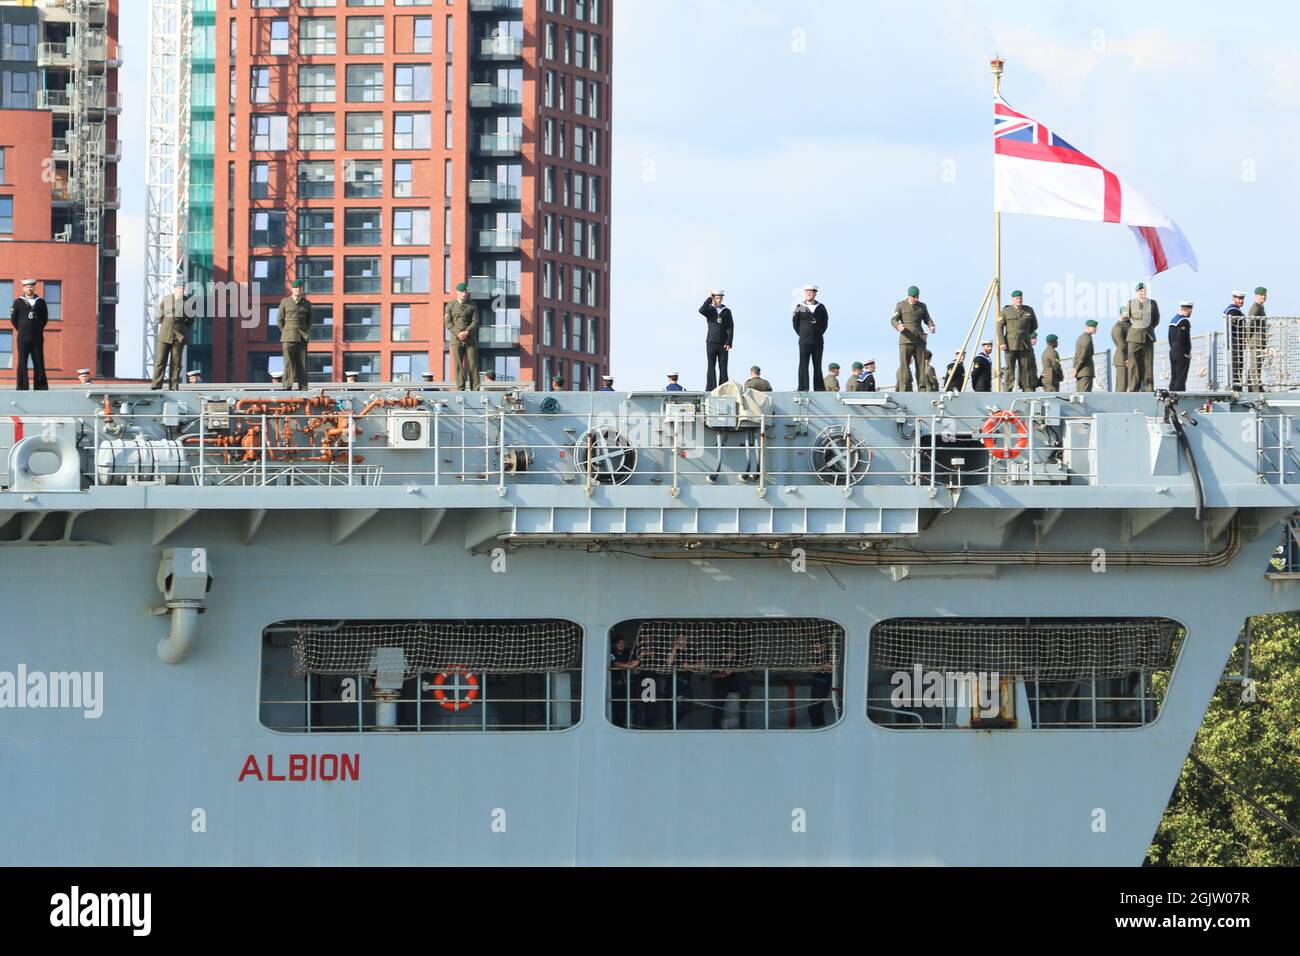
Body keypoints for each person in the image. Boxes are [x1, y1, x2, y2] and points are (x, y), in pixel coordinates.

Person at [151, 280, 195, 390]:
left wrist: (182, 328)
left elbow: (190, 320)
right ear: (175, 288)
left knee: (176, 362)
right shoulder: (166, 299)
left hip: (179, 336)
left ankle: (174, 386)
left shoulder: (188, 303)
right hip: (165, 334)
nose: (181, 290)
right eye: (179, 288)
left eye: (183, 288)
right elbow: (159, 316)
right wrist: (167, 324)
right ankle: (156, 384)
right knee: (160, 361)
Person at [891, 285, 936, 391]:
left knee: (921, 365)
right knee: (904, 365)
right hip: (906, 339)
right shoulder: (901, 305)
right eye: (914, 297)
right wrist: (898, 326)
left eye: (917, 297)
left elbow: (927, 318)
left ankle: (922, 388)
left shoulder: (922, 306)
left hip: (919, 339)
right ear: (909, 296)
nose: (916, 299)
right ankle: (903, 388)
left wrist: (931, 325)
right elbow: (893, 320)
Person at [10, 278, 49, 391]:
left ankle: (41, 387)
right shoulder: (18, 301)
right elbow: (14, 319)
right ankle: (22, 387)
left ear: (34, 287)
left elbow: (45, 318)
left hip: (37, 337)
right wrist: (22, 329)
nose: (29, 288)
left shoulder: (40, 301)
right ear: (23, 288)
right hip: (23, 337)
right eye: (27, 287)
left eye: (31, 286)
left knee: (39, 361)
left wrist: (37, 328)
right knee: (22, 361)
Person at [998, 289, 1038, 390]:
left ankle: (1026, 389)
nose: (1019, 300)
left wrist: (1025, 335)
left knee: (1025, 368)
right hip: (1010, 344)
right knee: (1009, 368)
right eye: (1017, 298)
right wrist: (1002, 342)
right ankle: (1008, 389)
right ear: (1013, 299)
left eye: (1020, 298)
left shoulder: (1028, 310)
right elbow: (999, 327)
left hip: (1024, 344)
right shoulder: (1006, 311)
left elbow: (1034, 325)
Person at [1122, 282, 1160, 391]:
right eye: (1141, 290)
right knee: (1133, 365)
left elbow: (1156, 320)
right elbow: (1125, 319)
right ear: (1137, 292)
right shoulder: (1130, 303)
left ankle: (1149, 388)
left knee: (1148, 364)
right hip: (1134, 338)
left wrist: (1147, 327)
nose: (1143, 292)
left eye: (1144, 290)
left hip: (1148, 337)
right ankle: (1134, 388)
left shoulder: (1153, 303)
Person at [278, 278, 313, 391]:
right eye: (295, 288)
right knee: (288, 363)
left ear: (302, 289)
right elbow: (280, 320)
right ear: (292, 289)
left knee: (302, 364)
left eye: (299, 288)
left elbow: (309, 321)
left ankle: (303, 387)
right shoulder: (285, 302)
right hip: (288, 337)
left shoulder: (306, 304)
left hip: (302, 337)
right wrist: (287, 331)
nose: (297, 289)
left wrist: (303, 330)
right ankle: (287, 386)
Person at [792, 284, 829, 391]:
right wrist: (803, 334)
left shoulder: (821, 307)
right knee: (803, 364)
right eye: (807, 292)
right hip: (804, 340)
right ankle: (803, 387)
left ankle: (819, 388)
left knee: (817, 365)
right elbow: (795, 323)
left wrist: (818, 333)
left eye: (811, 292)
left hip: (818, 341)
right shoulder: (800, 307)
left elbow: (825, 323)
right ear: (805, 293)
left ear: (815, 294)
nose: (809, 294)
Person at [445, 282, 479, 391]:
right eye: (462, 292)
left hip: (470, 340)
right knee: (458, 365)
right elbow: (448, 323)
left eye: (465, 292)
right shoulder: (451, 305)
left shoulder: (472, 305)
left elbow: (475, 321)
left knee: (473, 364)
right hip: (456, 339)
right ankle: (461, 388)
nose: (464, 294)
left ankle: (476, 389)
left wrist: (467, 332)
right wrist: (458, 333)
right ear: (457, 292)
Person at [699, 289, 733, 390]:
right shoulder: (710, 310)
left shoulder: (726, 311)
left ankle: (724, 388)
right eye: (717, 298)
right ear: (714, 299)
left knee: (723, 367)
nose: (719, 300)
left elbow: (730, 327)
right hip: (711, 342)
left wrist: (729, 342)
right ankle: (711, 388)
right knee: (711, 366)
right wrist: (709, 298)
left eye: (720, 298)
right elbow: (701, 310)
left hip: (723, 343)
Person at [609, 636, 639, 729]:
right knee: (613, 707)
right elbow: (615, 664)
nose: (622, 645)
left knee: (623, 708)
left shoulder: (627, 652)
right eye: (619, 643)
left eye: (623, 643)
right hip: (613, 685)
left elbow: (635, 661)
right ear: (614, 644)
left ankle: (620, 726)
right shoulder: (610, 652)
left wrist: (634, 663)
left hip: (625, 685)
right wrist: (629, 666)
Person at [1166, 301, 1193, 391]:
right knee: (1181, 377)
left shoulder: (1173, 321)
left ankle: (1171, 395)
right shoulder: (1184, 322)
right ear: (1188, 310)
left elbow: (1170, 338)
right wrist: (1187, 352)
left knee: (1174, 376)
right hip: (1181, 352)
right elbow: (1184, 338)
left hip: (1173, 351)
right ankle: (1180, 397)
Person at [1246, 287, 1268, 390]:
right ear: (1256, 296)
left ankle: (1252, 387)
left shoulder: (1260, 307)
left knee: (1256, 365)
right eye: (1261, 295)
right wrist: (1247, 336)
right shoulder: (1256, 307)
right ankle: (1256, 389)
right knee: (1255, 366)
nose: (1263, 297)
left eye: (1264, 295)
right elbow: (1251, 321)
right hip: (1256, 341)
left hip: (1260, 341)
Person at [1224, 290, 1247, 389]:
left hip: (1236, 342)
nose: (1241, 301)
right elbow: (1237, 327)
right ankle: (1237, 389)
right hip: (1236, 342)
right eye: (1239, 299)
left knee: (1237, 366)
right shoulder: (1233, 311)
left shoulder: (1233, 310)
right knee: (1237, 367)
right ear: (1234, 298)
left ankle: (1236, 387)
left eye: (1242, 299)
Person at [1074, 320, 1098, 392]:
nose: (1096, 329)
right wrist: (1076, 369)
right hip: (1085, 371)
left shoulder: (1080, 338)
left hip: (1080, 372)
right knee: (1085, 396)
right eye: (1094, 327)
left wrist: (1075, 368)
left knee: (1079, 395)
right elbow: (1083, 356)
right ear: (1087, 327)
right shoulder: (1087, 339)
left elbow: (1077, 355)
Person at [1111, 310, 1130, 393]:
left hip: (1126, 358)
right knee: (1122, 386)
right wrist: (1128, 358)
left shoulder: (1127, 325)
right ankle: (1117, 404)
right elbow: (1122, 345)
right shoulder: (1118, 327)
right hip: (1122, 359)